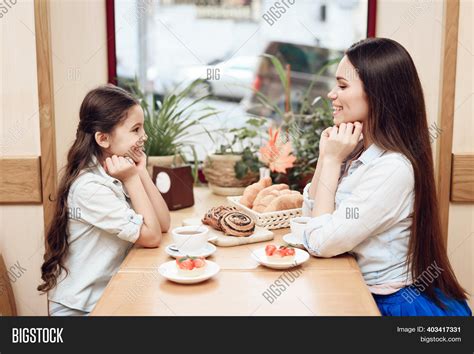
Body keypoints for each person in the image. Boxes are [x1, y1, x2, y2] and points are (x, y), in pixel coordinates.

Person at [302, 37, 471, 316]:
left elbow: (321, 243)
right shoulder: (356, 152)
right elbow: (308, 225)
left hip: (395, 306)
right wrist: (326, 157)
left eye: (343, 86)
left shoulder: (392, 169)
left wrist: (331, 160)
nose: (332, 94)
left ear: (377, 95)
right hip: (359, 290)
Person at [38, 85, 170, 316]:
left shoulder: (118, 169)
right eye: (136, 129)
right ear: (103, 138)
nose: (144, 136)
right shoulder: (90, 187)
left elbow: (163, 223)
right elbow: (152, 236)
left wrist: (141, 173)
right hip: (80, 309)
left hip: (106, 297)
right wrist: (132, 178)